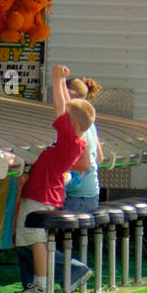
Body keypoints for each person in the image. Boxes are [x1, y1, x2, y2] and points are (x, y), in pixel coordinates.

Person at [14, 66, 96, 293]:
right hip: (46, 193)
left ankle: (41, 285)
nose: (60, 120)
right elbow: (65, 109)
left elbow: (60, 106)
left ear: (75, 126)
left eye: (66, 120)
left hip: (41, 195)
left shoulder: (70, 139)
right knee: (28, 238)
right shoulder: (74, 141)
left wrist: (57, 79)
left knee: (36, 238)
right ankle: (39, 283)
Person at [62, 76, 103, 214]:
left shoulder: (76, 125)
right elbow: (99, 158)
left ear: (70, 96)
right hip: (93, 195)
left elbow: (84, 164)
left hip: (77, 197)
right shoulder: (90, 123)